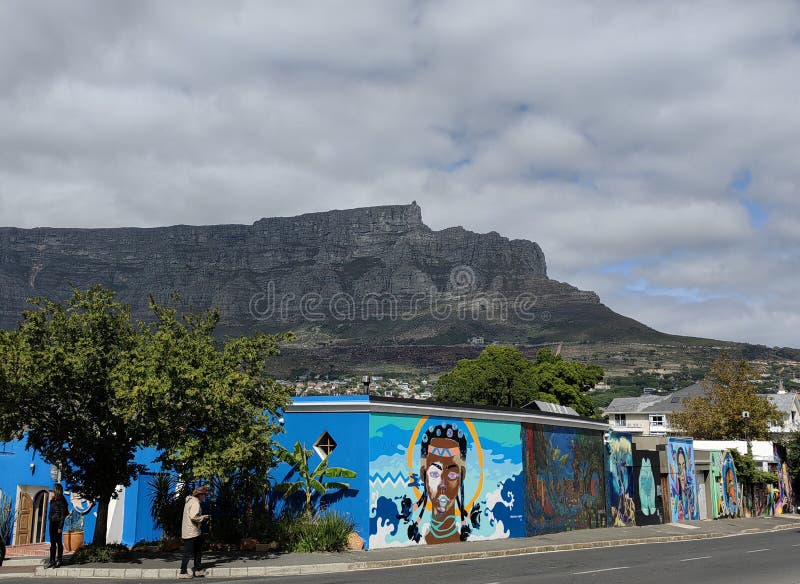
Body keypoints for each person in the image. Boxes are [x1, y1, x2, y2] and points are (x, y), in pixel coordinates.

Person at [179, 485, 210, 579]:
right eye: (204, 495)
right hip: (192, 532)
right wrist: (202, 517)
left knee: (197, 550)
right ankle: (183, 572)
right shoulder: (195, 503)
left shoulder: (190, 501)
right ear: (200, 495)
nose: (205, 496)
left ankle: (197, 570)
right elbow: (193, 516)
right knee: (189, 552)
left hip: (191, 531)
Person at [47, 484, 69, 569]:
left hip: (58, 524)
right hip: (52, 523)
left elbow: (63, 515)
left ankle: (59, 560)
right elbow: (51, 511)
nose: (54, 493)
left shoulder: (62, 501)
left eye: (55, 491)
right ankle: (52, 560)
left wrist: (60, 527)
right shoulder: (53, 500)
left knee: (58, 542)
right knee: (52, 543)